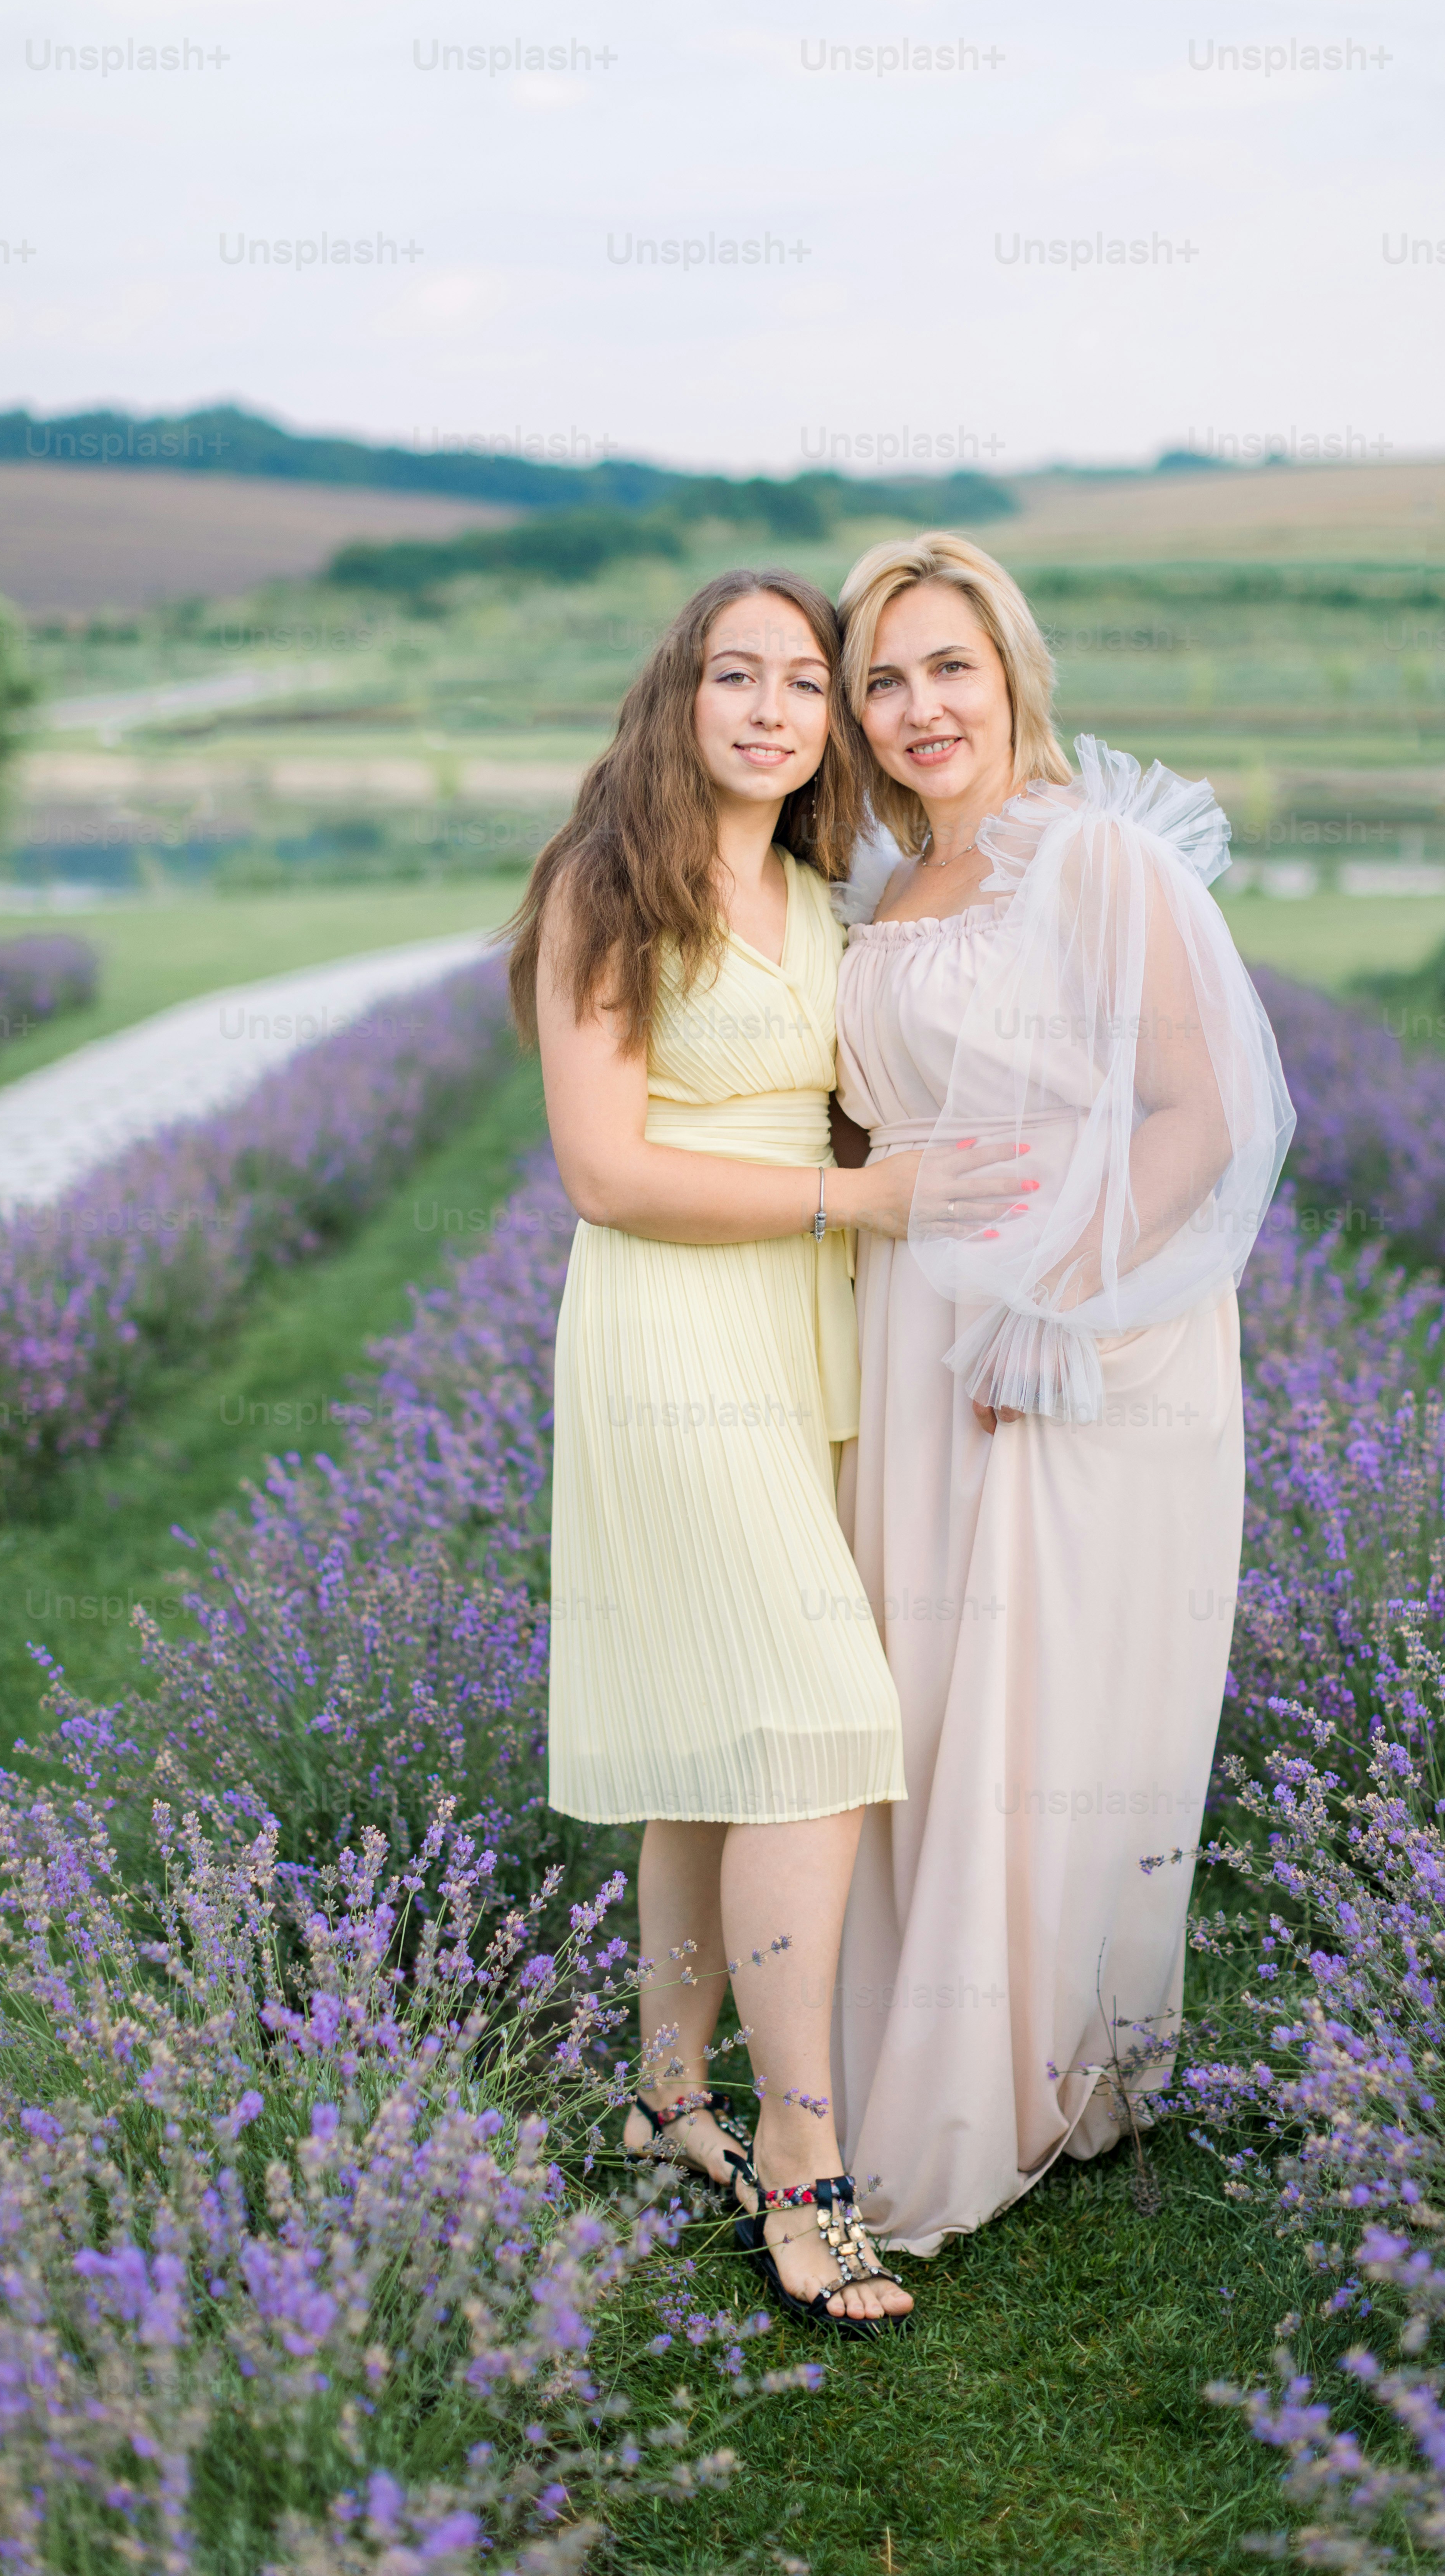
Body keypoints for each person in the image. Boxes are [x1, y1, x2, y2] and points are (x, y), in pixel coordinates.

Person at [508, 567, 1016, 2331]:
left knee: (710, 1757)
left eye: (807, 684)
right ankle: (802, 2177)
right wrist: (850, 1197)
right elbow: (603, 1170)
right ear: (682, 695)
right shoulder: (606, 884)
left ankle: (666, 2100)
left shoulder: (820, 895)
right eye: (740, 675)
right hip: (666, 1336)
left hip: (808, 1342)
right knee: (815, 1727)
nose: (774, 709)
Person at [827, 533, 1294, 2255]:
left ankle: (1006, 2083)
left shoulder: (1087, 859)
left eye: (947, 666)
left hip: (1065, 1328)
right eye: (882, 679)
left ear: (1011, 669)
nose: (916, 706)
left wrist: (1055, 1306)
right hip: (904, 1319)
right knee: (925, 1690)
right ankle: (932, 2044)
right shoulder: (888, 889)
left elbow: (1204, 1116)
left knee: (1031, 1696)